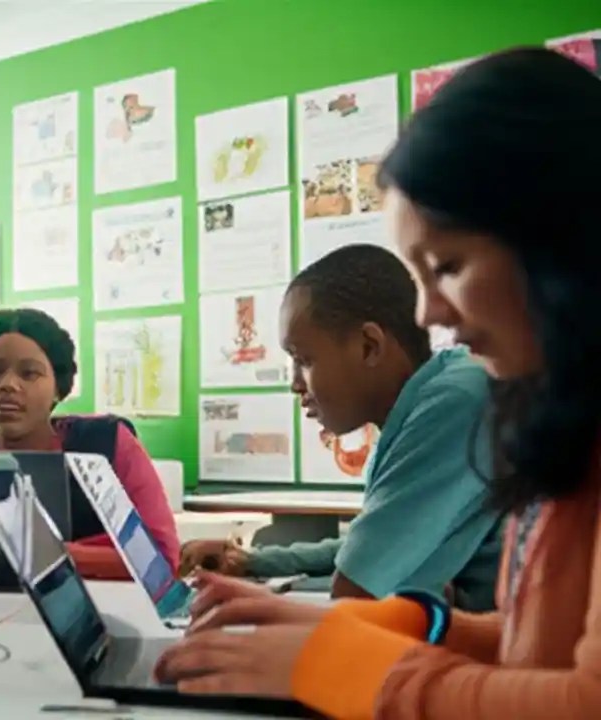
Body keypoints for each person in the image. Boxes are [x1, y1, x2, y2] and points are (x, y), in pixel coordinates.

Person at [154, 48, 601, 718]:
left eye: (447, 266)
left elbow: (584, 700)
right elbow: (540, 643)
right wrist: (367, 631)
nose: (427, 315)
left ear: (561, 234)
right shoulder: (559, 414)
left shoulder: (468, 397)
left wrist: (343, 665)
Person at [180, 245, 503, 610]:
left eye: (304, 360)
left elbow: (354, 591)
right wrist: (251, 562)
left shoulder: (454, 401)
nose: (295, 384)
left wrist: (244, 600)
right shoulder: (423, 404)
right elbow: (370, 544)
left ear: (369, 347)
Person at [0, 308, 181, 579]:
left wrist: (47, 555)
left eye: (29, 373)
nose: (8, 384)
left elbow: (160, 559)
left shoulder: (106, 444)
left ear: (59, 387)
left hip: (106, 614)